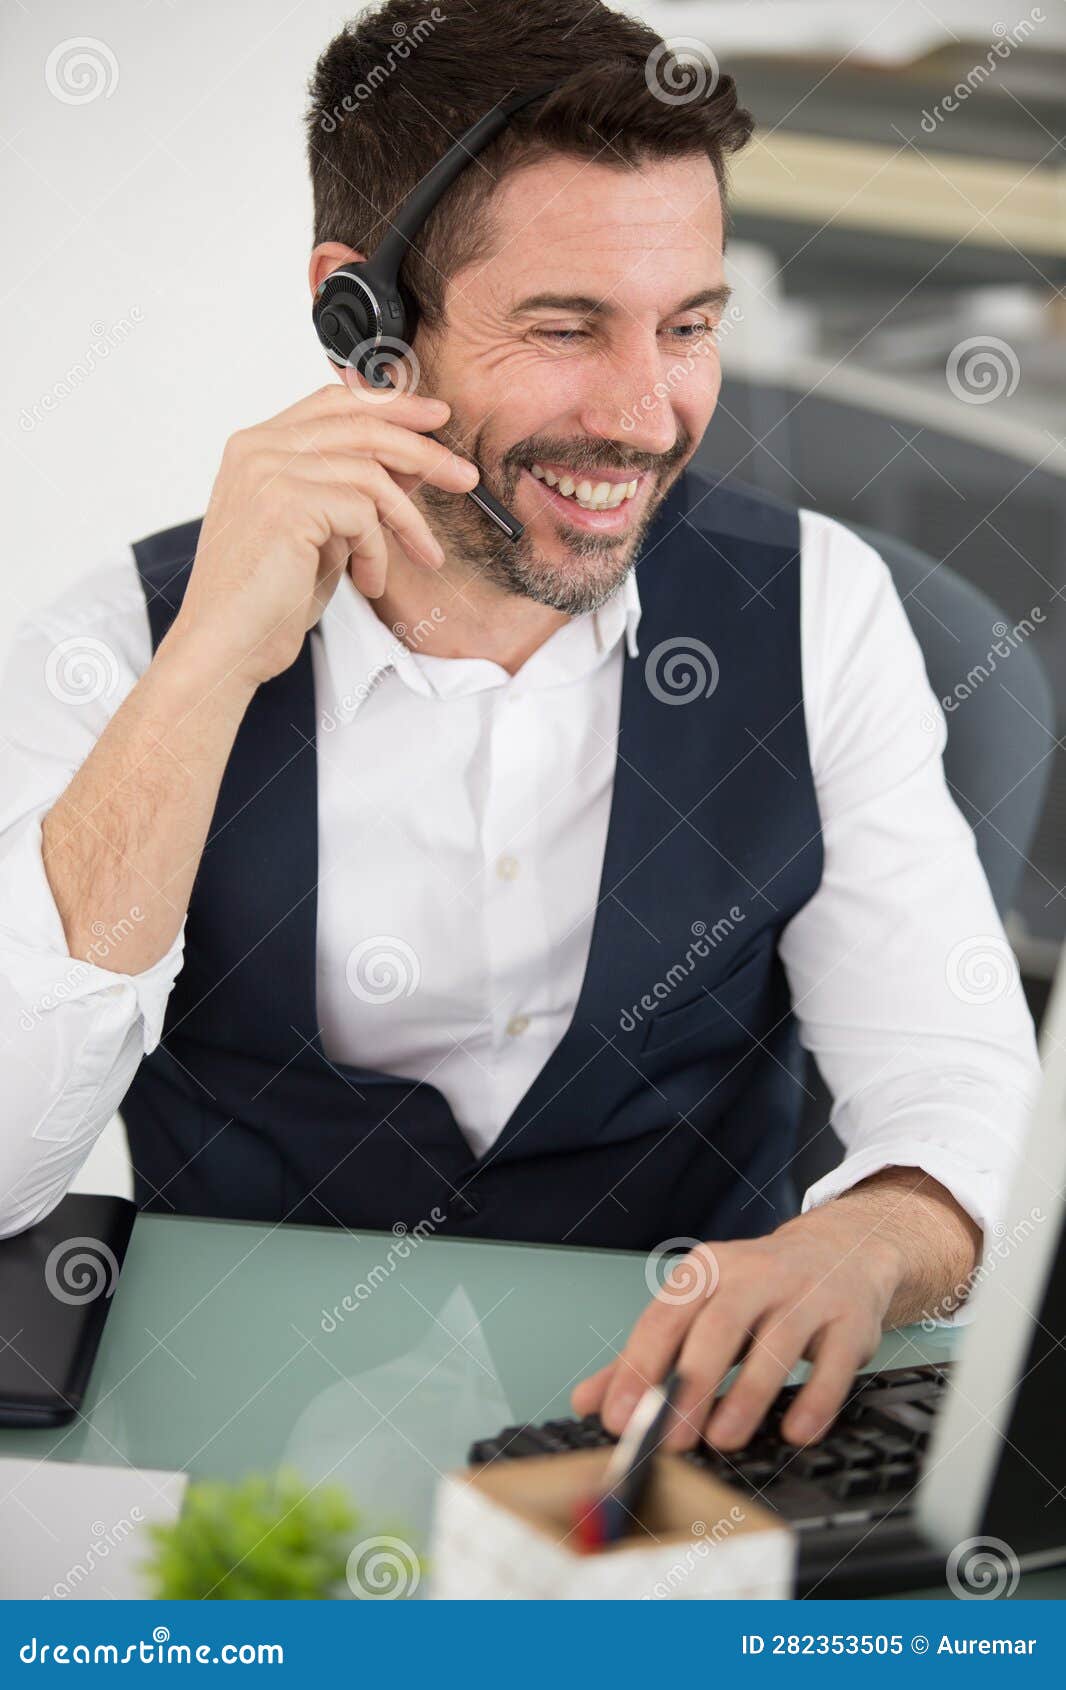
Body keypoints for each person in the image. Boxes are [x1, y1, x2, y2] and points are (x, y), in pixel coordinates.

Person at [0, 0, 1040, 1453]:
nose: (645, 414)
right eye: (564, 328)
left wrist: (875, 1235)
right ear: (361, 316)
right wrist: (200, 675)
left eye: (686, 327)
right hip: (222, 1453)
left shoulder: (818, 614)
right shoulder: (115, 640)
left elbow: (958, 1076)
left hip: (668, 1462)